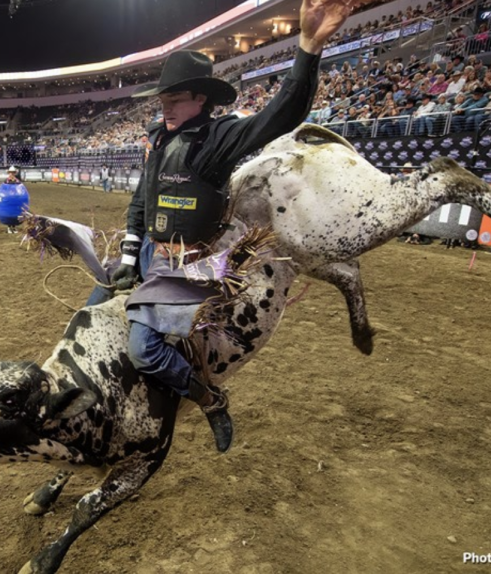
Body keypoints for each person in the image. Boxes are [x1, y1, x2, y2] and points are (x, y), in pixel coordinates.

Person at [96, 0, 360, 453]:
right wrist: (128, 255)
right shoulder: (159, 139)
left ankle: (209, 399)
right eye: (163, 101)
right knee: (91, 312)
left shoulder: (218, 138)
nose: (165, 108)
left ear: (200, 98)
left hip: (189, 266)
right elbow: (142, 200)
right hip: (150, 254)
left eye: (174, 100)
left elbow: (281, 114)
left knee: (144, 350)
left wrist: (308, 46)